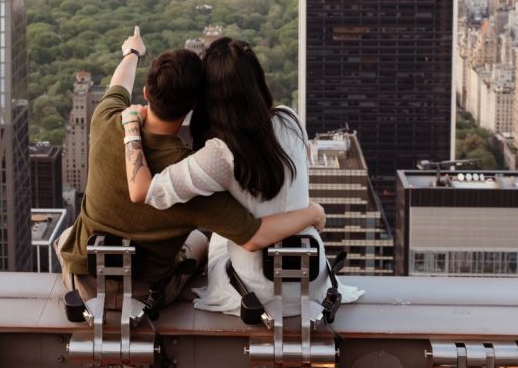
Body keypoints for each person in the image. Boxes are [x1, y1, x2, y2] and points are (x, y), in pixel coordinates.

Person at [55, 27, 327, 311]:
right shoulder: (196, 174)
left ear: (146, 92)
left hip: (82, 283)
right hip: (144, 293)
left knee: (70, 233)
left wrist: (132, 53)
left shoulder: (106, 119)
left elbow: (120, 83)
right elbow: (253, 235)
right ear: (195, 104)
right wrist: (314, 212)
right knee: (199, 239)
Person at [121, 36, 364, 317]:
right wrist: (313, 212)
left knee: (217, 236)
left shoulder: (219, 154)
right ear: (257, 80)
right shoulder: (290, 120)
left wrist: (131, 127)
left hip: (254, 295)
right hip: (312, 284)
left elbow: (143, 191)